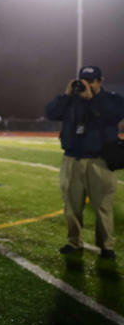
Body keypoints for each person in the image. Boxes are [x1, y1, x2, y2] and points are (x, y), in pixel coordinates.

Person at [46, 65, 124, 259]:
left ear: (100, 81)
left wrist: (94, 98)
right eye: (84, 80)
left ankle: (106, 246)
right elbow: (51, 113)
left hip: (100, 161)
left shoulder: (111, 99)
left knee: (103, 207)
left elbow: (114, 114)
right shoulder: (72, 100)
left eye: (92, 81)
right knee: (72, 205)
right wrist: (66, 95)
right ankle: (74, 241)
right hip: (72, 159)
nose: (87, 84)